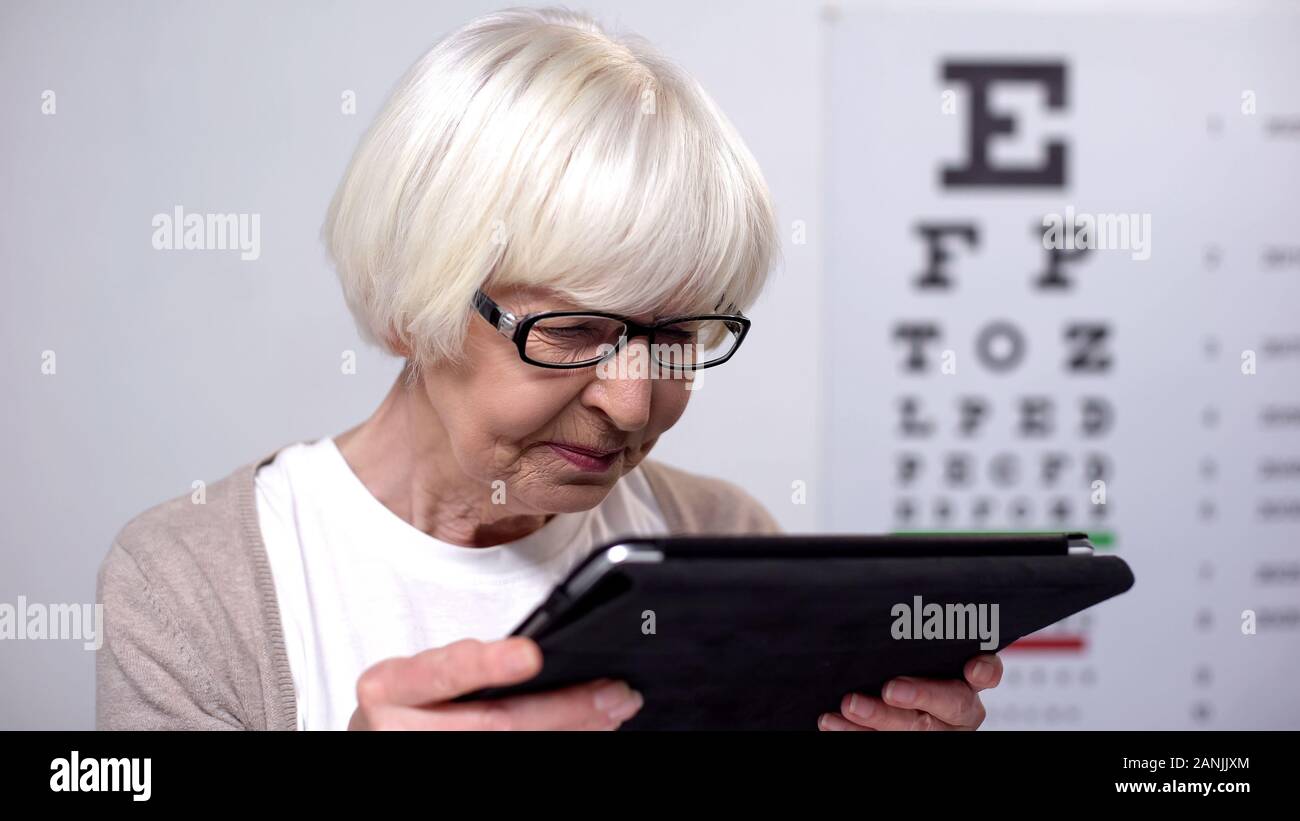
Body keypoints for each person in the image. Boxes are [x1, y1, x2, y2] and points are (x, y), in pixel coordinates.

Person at [96, 6, 1000, 731]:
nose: (632, 403)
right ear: (414, 304)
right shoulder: (194, 582)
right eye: (573, 331)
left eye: (677, 336)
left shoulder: (721, 536)